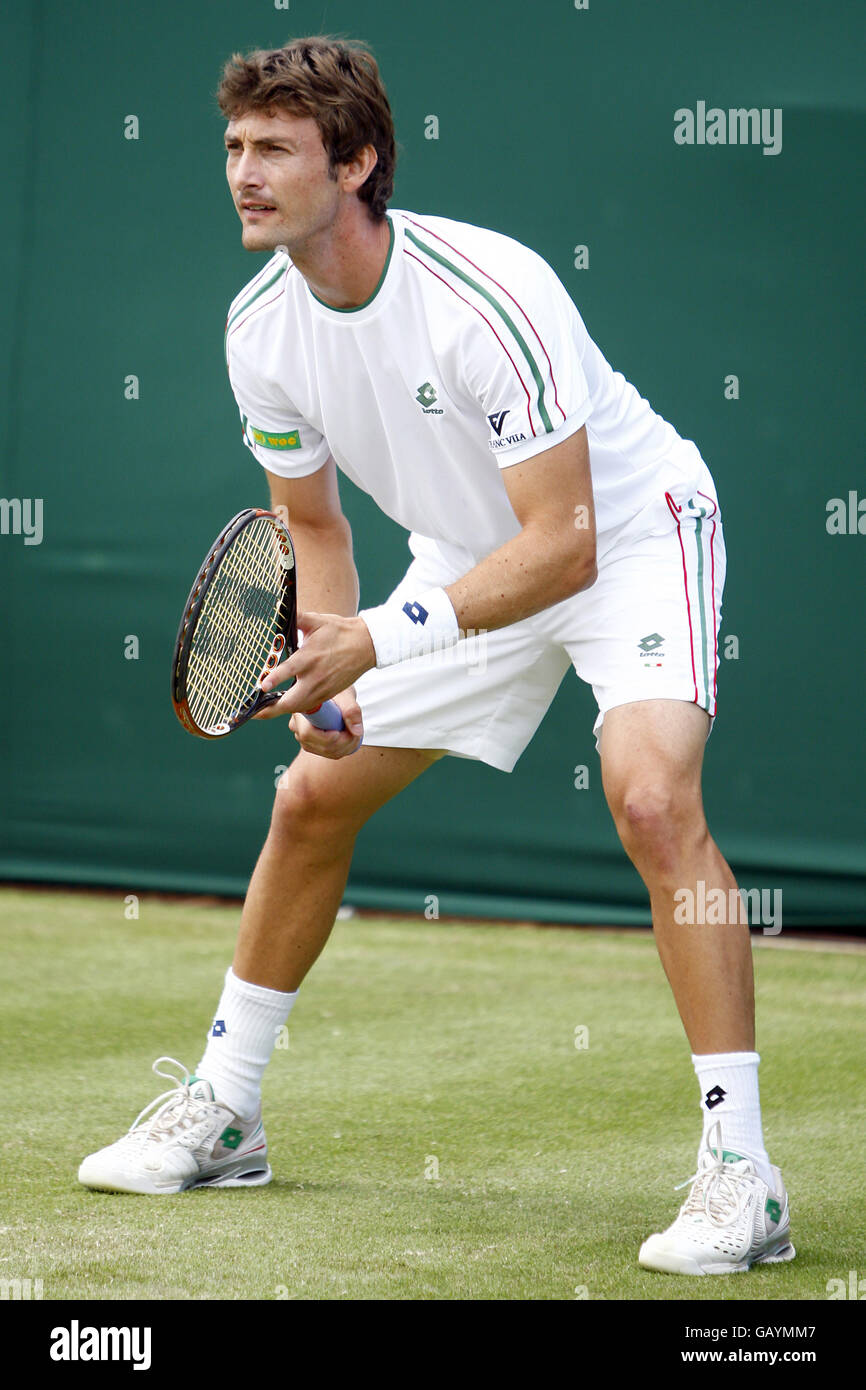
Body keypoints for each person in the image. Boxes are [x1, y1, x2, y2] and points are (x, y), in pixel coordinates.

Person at [79, 35, 794, 1277]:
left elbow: (564, 542)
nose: (243, 174)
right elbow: (311, 526)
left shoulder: (487, 294)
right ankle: (227, 1108)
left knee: (648, 794)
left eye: (276, 150)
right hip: (462, 560)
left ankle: (742, 1175)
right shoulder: (258, 330)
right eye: (235, 148)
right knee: (310, 798)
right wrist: (331, 668)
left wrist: (380, 636)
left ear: (355, 162)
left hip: (620, 536)